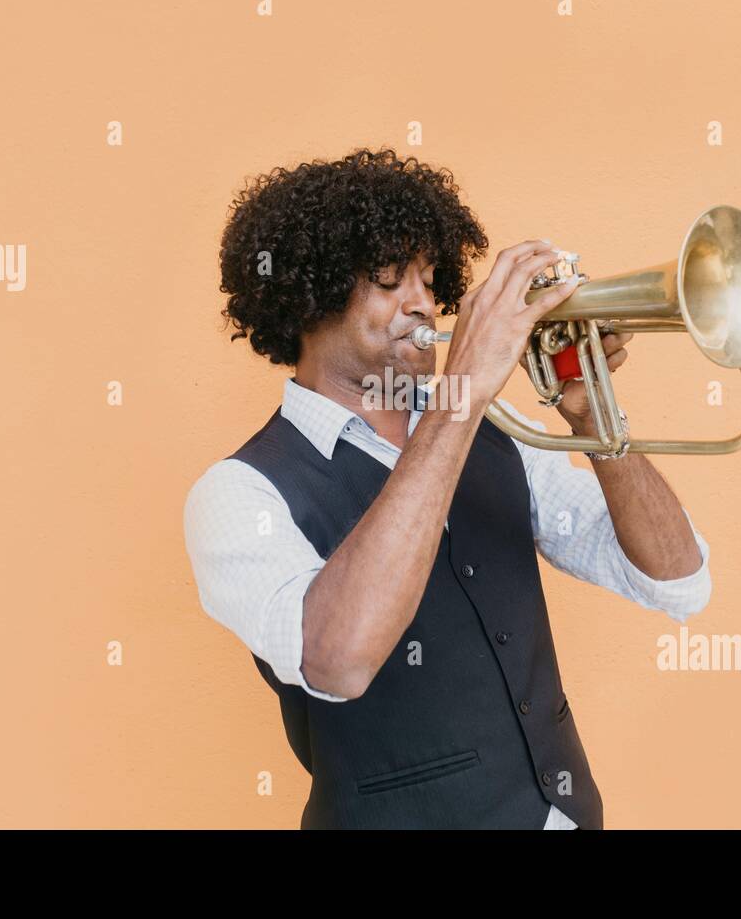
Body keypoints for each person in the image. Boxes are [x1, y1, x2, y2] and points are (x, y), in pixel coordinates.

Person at [184, 147, 712, 829]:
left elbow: (678, 582)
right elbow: (340, 659)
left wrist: (594, 418)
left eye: (431, 279)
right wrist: (459, 399)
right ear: (307, 294)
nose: (424, 304)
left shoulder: (498, 427)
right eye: (389, 279)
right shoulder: (237, 494)